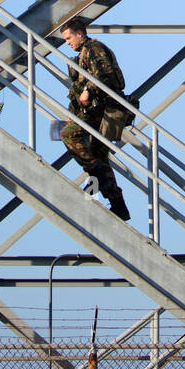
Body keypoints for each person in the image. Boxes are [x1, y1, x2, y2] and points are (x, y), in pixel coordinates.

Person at [59, 17, 130, 221]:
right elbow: (78, 89)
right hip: (95, 111)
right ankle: (117, 204)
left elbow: (106, 75)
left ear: (80, 34)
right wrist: (73, 113)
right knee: (97, 155)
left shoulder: (94, 49)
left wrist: (89, 91)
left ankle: (97, 182)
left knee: (68, 135)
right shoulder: (82, 56)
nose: (67, 42)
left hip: (105, 109)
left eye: (69, 37)